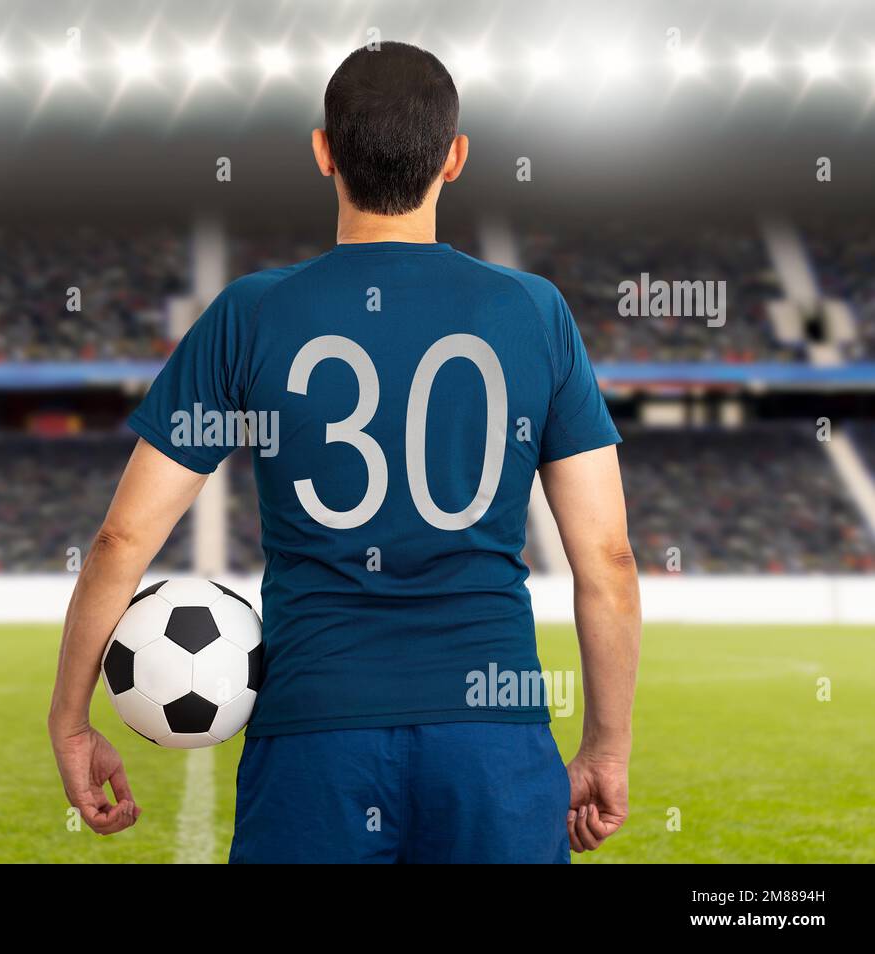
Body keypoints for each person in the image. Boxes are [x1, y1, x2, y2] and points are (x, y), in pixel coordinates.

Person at [49, 41, 640, 863]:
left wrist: (71, 720)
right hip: (491, 739)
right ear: (456, 158)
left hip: (313, 739)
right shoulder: (533, 313)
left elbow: (120, 542)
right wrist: (606, 749)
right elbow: (607, 559)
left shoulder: (250, 314)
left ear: (323, 150)